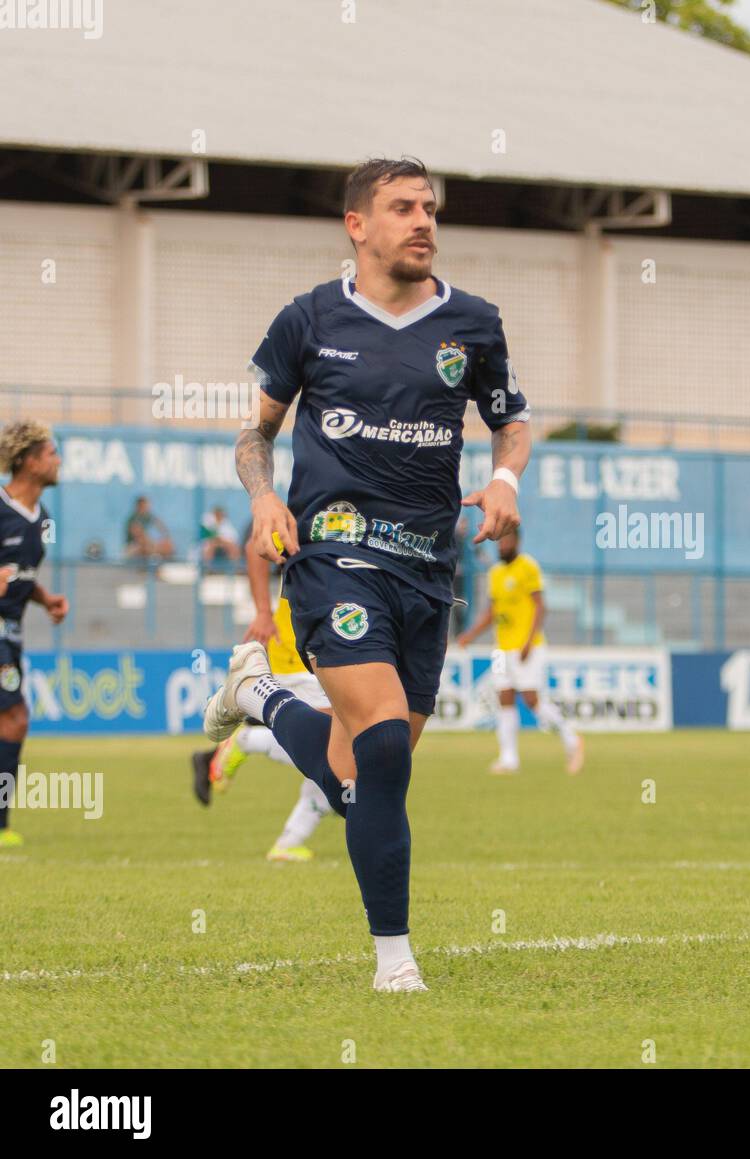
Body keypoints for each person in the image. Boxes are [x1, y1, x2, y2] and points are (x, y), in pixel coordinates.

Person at [203, 156, 531, 992]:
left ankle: (259, 697)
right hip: (333, 559)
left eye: (429, 208)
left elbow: (511, 423)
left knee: (364, 773)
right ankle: (396, 962)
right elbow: (256, 434)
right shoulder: (308, 319)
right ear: (358, 225)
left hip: (430, 571)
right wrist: (264, 497)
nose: (422, 221)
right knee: (383, 745)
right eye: (401, 208)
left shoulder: (475, 323)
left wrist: (504, 481)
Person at [190, 526, 335, 862]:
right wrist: (262, 612)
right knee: (335, 746)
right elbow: (256, 546)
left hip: (334, 647)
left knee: (339, 757)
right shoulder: (315, 511)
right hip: (300, 647)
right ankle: (243, 742)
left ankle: (288, 843)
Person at [455, 528, 583, 775]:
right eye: (499, 541)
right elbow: (492, 612)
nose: (502, 545)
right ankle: (509, 758)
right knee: (504, 698)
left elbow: (540, 607)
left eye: (507, 540)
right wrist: (468, 636)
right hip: (502, 650)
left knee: (532, 700)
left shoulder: (528, 567)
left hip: (527, 647)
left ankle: (571, 739)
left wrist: (528, 640)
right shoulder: (495, 573)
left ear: (517, 541)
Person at [0, 421, 69, 848]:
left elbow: (21, 577)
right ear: (28, 460)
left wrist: (46, 599)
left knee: (11, 721)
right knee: (15, 718)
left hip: (13, 631)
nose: (57, 460)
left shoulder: (42, 520)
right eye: (51, 453)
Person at [124, 496, 174, 561]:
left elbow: (161, 526)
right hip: (132, 547)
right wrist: (152, 544)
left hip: (145, 544)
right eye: (144, 506)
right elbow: (139, 536)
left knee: (166, 547)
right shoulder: (133, 519)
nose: (146, 508)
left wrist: (166, 538)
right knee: (147, 548)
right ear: (138, 506)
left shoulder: (148, 516)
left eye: (147, 506)